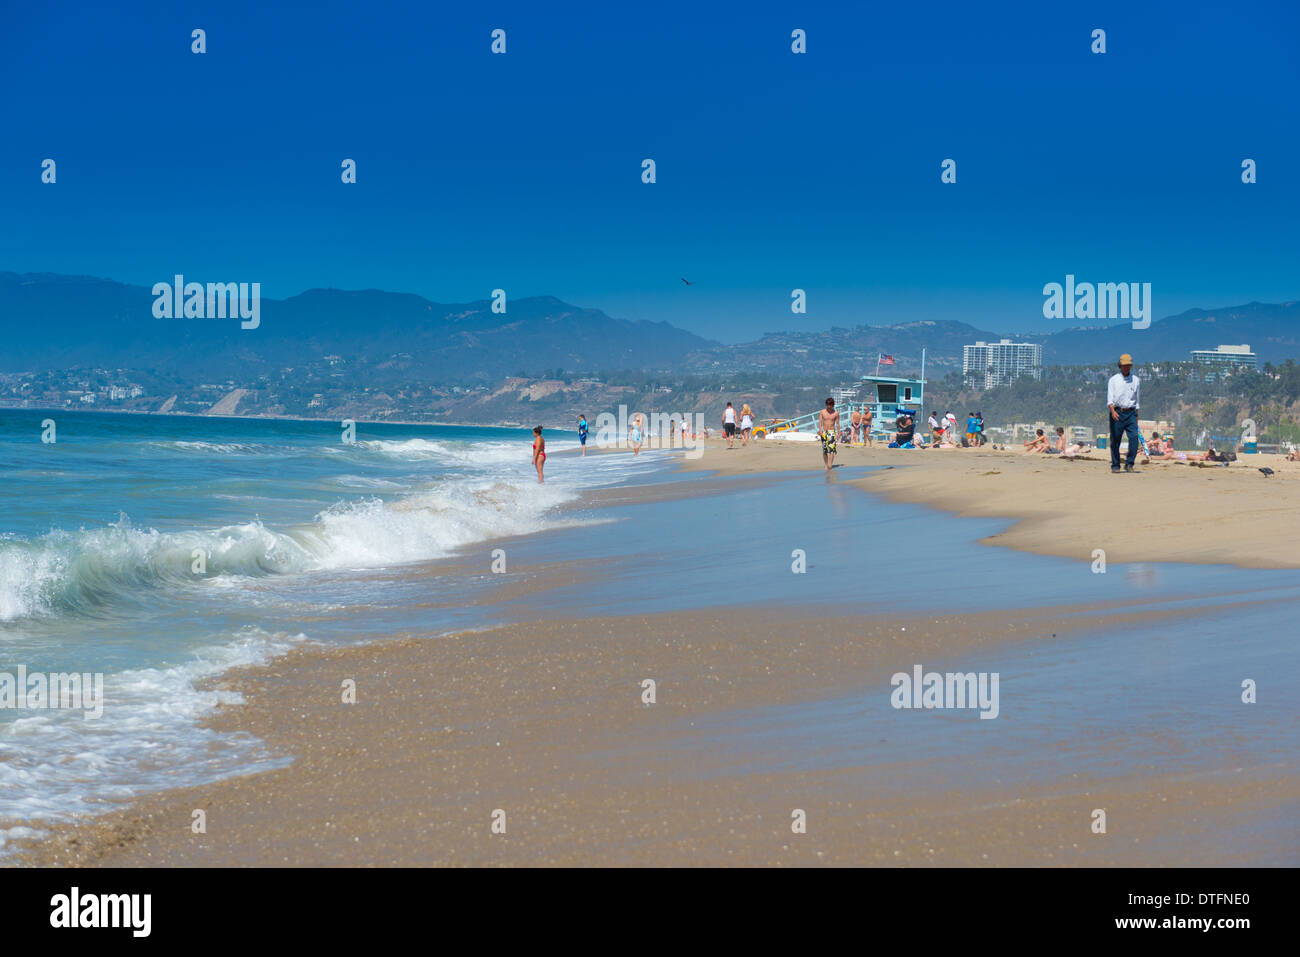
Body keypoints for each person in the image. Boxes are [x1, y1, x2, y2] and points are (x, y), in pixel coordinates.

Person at [1107, 353, 1141, 473]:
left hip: (1131, 413)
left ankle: (1129, 463)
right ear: (1120, 366)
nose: (1127, 367)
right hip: (1117, 412)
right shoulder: (1113, 380)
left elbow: (1137, 399)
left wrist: (1137, 415)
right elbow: (1110, 399)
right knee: (1115, 440)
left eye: (1129, 365)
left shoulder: (1136, 380)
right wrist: (1112, 411)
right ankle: (1115, 465)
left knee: (1134, 439)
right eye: (1124, 365)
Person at [818, 397, 839, 471]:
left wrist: (838, 433)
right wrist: (820, 431)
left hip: (832, 432)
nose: (828, 406)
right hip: (824, 432)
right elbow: (820, 422)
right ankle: (826, 464)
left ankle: (830, 464)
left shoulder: (836, 413)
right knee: (825, 450)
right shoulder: (822, 412)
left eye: (830, 405)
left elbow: (837, 424)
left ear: (832, 405)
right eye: (827, 405)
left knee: (832, 450)